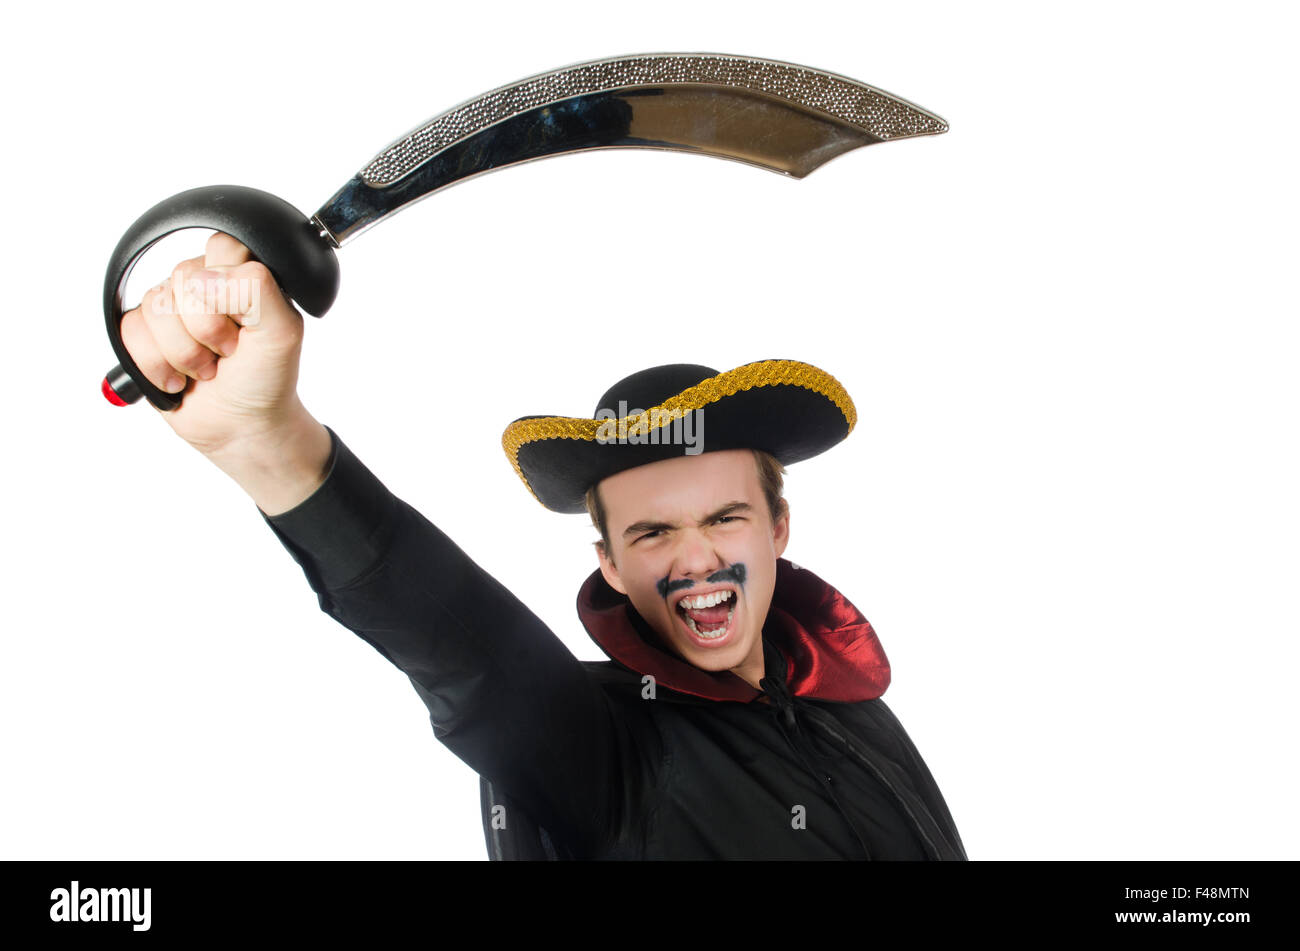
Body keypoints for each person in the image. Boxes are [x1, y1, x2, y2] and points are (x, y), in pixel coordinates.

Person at [117, 234, 966, 860]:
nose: (698, 559)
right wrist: (269, 444)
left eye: (723, 518)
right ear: (610, 563)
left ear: (777, 528)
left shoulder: (852, 704)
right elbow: (464, 649)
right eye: (653, 531)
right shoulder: (600, 747)